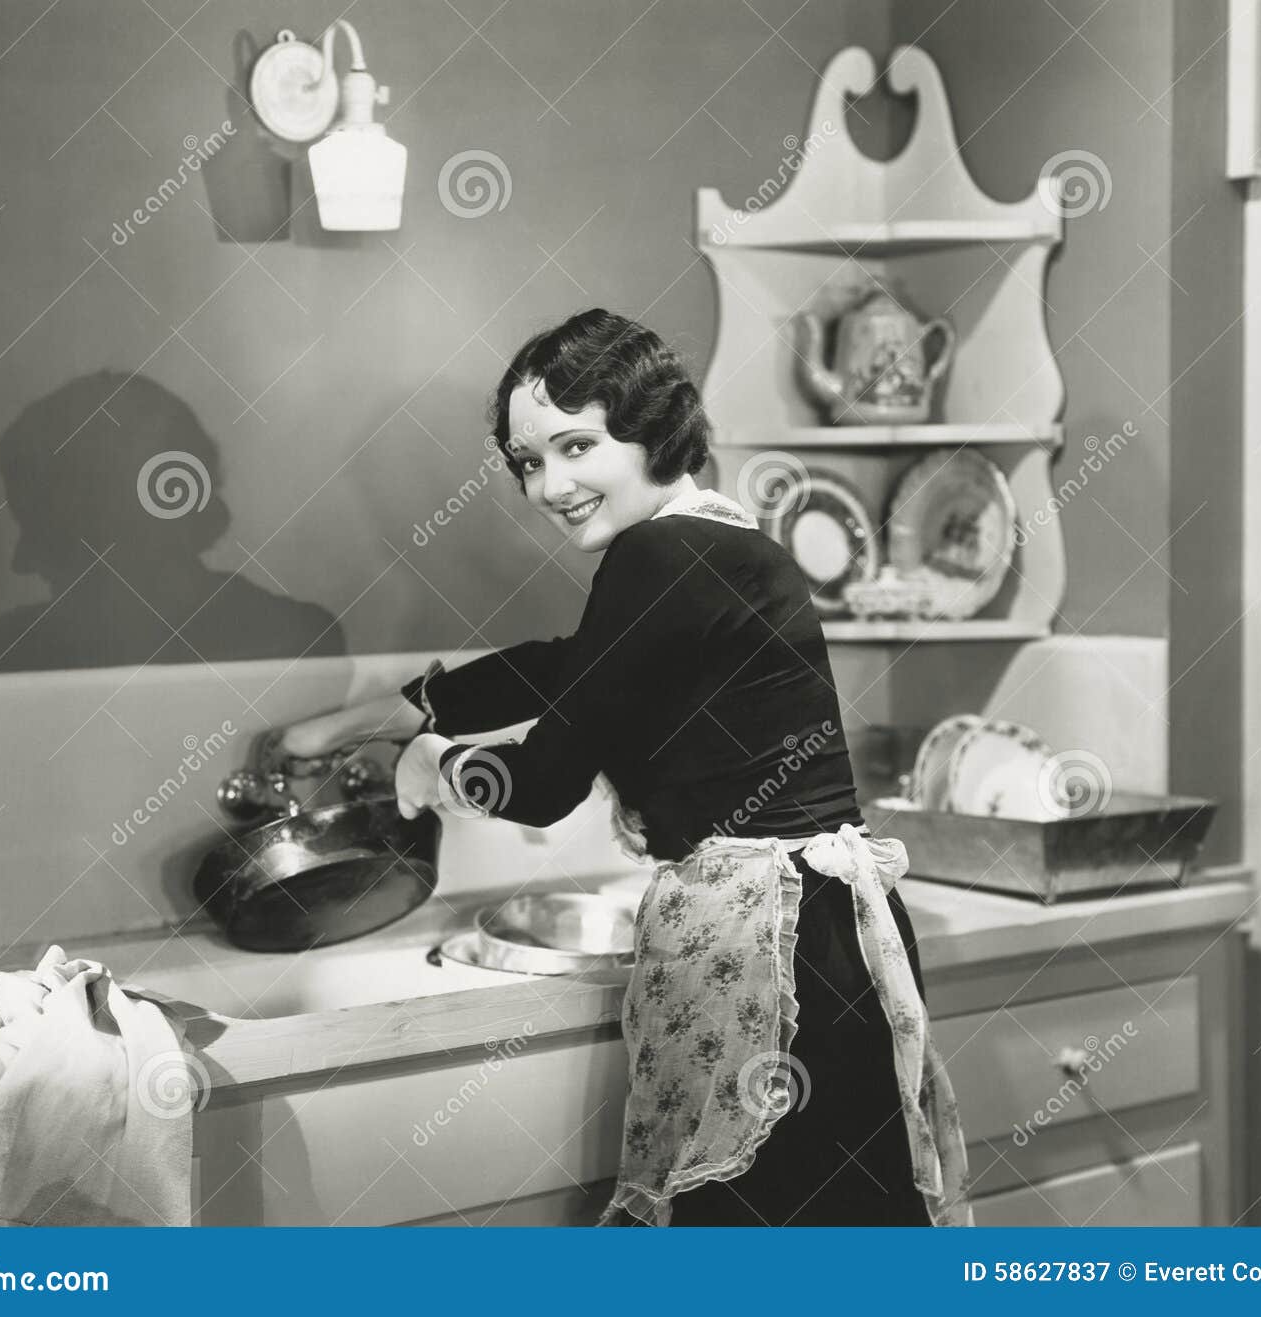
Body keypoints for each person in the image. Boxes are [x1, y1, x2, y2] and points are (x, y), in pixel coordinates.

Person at [279, 308, 971, 1226]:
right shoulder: (715, 539)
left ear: (649, 426)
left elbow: (547, 781)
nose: (548, 484)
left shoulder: (656, 554)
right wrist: (411, 703)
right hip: (823, 934)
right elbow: (578, 666)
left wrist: (429, 766)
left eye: (576, 445)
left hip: (766, 947)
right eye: (528, 461)